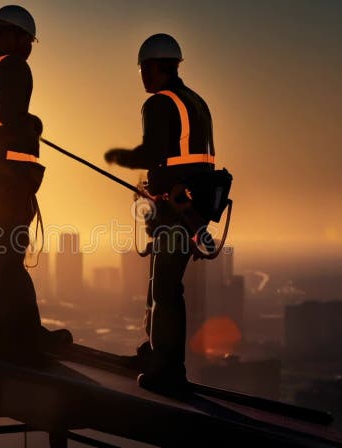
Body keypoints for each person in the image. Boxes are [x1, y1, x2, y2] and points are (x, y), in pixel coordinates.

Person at [0, 5, 71, 364]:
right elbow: (14, 119)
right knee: (10, 256)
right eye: (27, 40)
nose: (28, 48)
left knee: (0, 252)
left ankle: (3, 335)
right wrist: (35, 124)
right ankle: (21, 340)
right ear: (14, 36)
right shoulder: (14, 67)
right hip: (7, 177)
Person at [105, 33, 217, 395]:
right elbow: (184, 160)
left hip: (174, 211)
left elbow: (154, 153)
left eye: (143, 69)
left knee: (166, 290)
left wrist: (122, 158)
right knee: (162, 286)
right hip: (192, 208)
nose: (142, 76)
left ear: (152, 68)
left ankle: (168, 370)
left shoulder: (159, 104)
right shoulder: (195, 102)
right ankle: (154, 354)